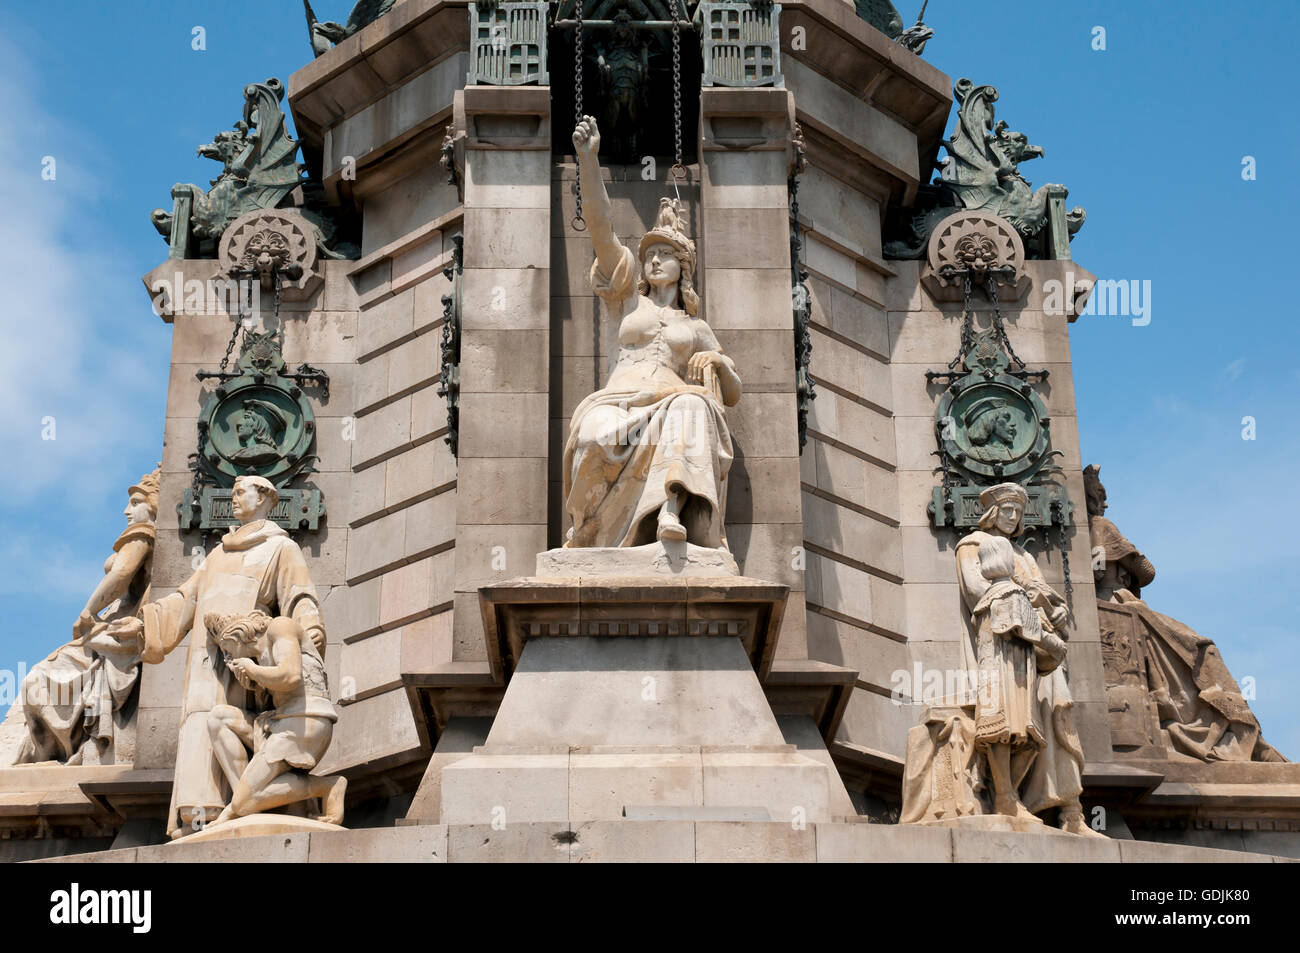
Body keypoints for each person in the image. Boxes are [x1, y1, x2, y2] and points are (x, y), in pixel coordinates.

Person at [106, 474, 327, 837]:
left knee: (231, 724)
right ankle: (200, 815)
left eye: (242, 492)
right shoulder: (216, 555)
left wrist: (310, 635)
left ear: (267, 497)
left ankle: (248, 806)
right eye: (234, 492)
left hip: (247, 667)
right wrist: (143, 625)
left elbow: (300, 599)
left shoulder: (280, 548)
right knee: (199, 721)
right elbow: (183, 601)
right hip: (205, 665)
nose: (235, 498)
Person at [563, 115, 741, 549]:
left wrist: (716, 361)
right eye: (650, 254)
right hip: (618, 401)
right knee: (592, 436)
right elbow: (601, 229)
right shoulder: (626, 296)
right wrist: (588, 161)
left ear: (684, 266)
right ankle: (590, 530)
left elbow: (731, 390)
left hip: (673, 400)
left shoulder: (695, 327)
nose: (655, 260)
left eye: (665, 254)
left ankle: (669, 511)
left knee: (692, 409)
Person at [954, 482, 1097, 834]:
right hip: (1003, 648)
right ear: (992, 513)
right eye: (1007, 510)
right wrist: (1027, 603)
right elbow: (979, 592)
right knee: (1007, 722)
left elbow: (1047, 597)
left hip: (1038, 654)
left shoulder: (1026, 556)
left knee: (1056, 715)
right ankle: (1008, 796)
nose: (1013, 516)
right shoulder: (972, 546)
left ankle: (1069, 811)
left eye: (1018, 512)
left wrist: (1058, 611)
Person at [13, 467, 159, 765]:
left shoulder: (143, 534)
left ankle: (56, 755)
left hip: (119, 632)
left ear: (154, 504)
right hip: (120, 629)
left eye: (135, 503)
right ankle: (59, 752)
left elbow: (120, 575)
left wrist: (87, 611)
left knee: (38, 679)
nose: (126, 511)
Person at [203, 610, 345, 826]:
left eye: (226, 650)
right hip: (281, 721)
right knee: (218, 718)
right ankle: (248, 803)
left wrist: (253, 669)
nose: (228, 658)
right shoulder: (261, 657)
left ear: (234, 636)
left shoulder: (280, 627)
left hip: (306, 721)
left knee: (241, 803)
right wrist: (253, 683)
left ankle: (327, 787)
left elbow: (290, 676)